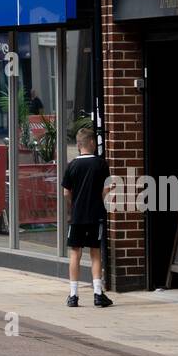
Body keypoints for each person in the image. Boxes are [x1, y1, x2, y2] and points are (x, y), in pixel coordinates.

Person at [62, 126, 113, 308]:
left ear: (78, 145)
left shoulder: (72, 165)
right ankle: (98, 294)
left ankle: (73, 296)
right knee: (95, 253)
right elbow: (106, 189)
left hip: (77, 216)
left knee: (75, 252)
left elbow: (66, 192)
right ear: (91, 143)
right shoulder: (101, 164)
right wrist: (100, 200)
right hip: (95, 215)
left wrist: (74, 204)